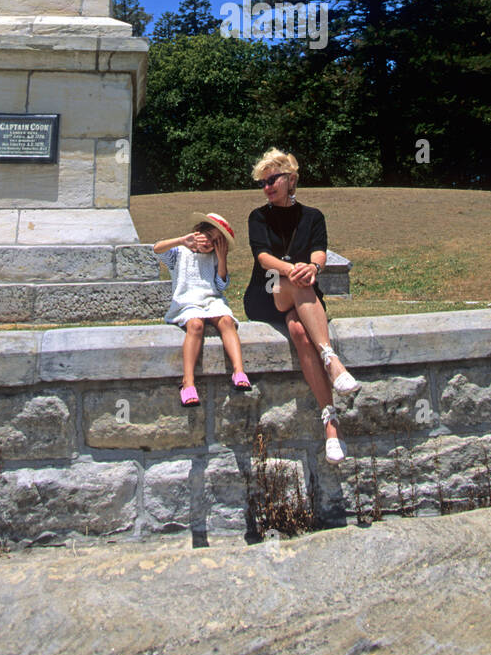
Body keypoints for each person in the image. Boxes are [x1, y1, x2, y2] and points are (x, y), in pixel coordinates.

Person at [243, 149, 359, 463]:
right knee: (295, 280)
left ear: (291, 179)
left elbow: (319, 252)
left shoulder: (313, 217)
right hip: (266, 292)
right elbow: (263, 258)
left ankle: (331, 425)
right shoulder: (259, 216)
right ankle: (332, 362)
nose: (267, 187)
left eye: (272, 180)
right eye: (263, 182)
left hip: (303, 294)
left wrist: (314, 268)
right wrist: (293, 269)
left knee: (299, 331)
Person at [153, 212, 251, 406]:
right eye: (208, 236)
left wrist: (222, 258)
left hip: (212, 301)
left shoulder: (214, 258)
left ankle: (239, 371)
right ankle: (188, 382)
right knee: (196, 325)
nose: (210, 243)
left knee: (226, 321)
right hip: (187, 303)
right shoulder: (180, 253)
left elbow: (221, 286)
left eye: (216, 241)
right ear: (198, 232)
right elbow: (157, 249)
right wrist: (182, 240)